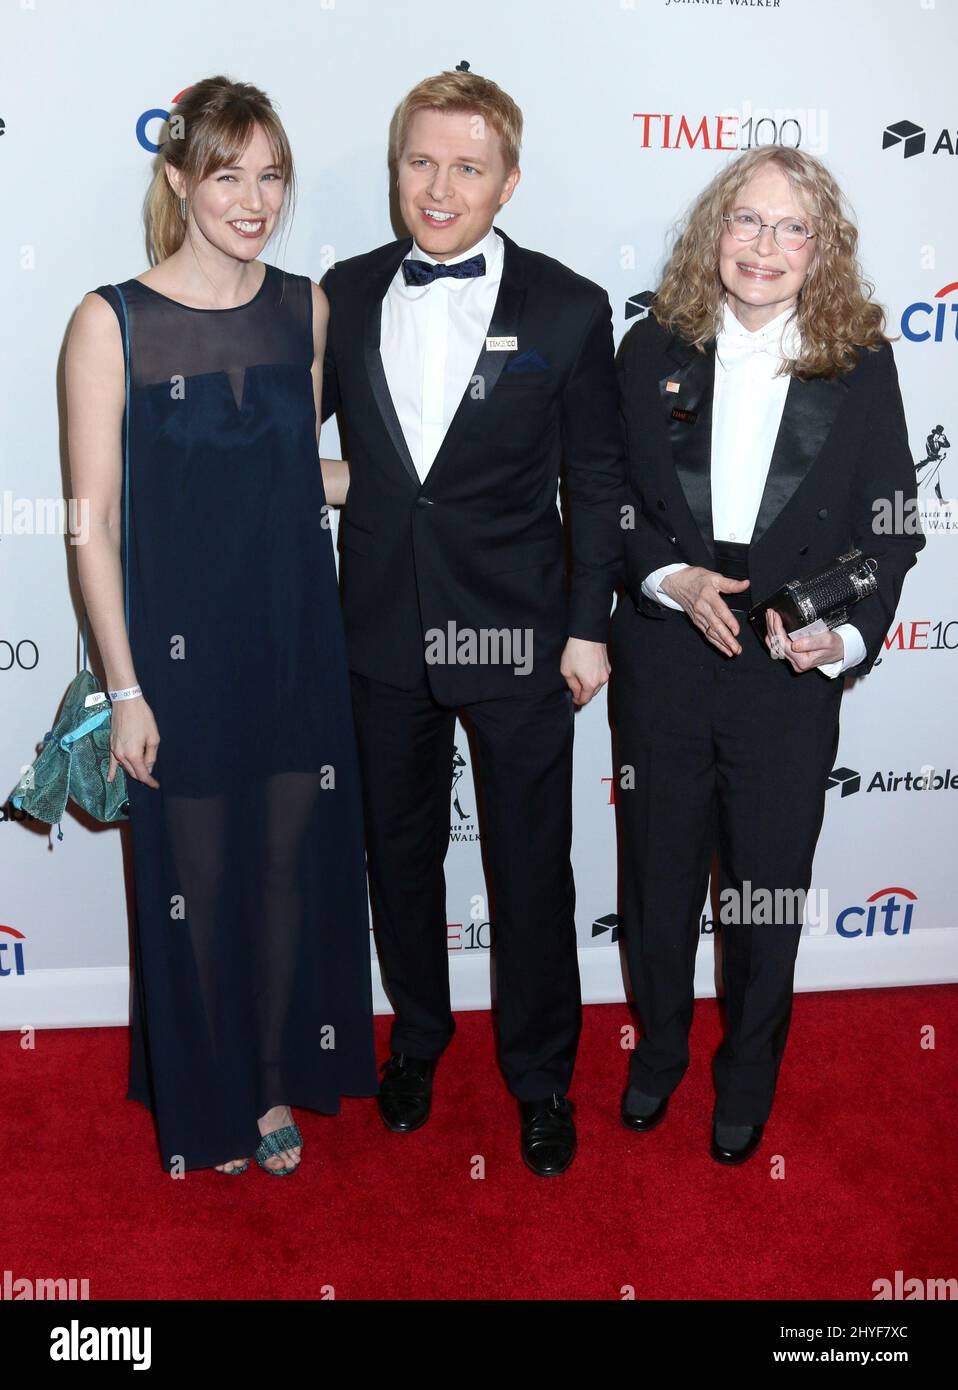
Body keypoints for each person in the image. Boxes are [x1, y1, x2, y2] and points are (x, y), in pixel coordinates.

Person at [65, 76, 377, 1176]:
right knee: (195, 873)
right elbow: (90, 525)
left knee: (287, 868)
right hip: (177, 649)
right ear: (177, 178)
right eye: (228, 174)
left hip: (295, 633)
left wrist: (437, 489)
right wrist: (127, 686)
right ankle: (211, 1092)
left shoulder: (307, 305)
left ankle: (273, 1084)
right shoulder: (112, 319)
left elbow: (306, 475)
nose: (255, 199)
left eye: (272, 173)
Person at [320, 67, 624, 1176]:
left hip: (522, 636)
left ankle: (542, 1077)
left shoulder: (568, 304)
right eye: (420, 161)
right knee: (396, 856)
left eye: (466, 166)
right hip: (380, 635)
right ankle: (419, 1038)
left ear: (508, 181)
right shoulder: (342, 293)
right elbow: (272, 438)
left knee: (531, 866)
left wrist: (587, 628)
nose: (438, 187)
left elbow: (595, 480)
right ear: (396, 165)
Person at [611, 145, 924, 1164]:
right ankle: (656, 1055)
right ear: (715, 229)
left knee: (763, 888)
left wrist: (847, 634)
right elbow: (608, 505)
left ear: (821, 247)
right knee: (658, 878)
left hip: (787, 666)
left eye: (792, 227)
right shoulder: (649, 343)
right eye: (747, 220)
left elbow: (891, 528)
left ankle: (743, 1077)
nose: (764, 245)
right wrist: (671, 579)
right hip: (666, 649)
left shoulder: (862, 359)